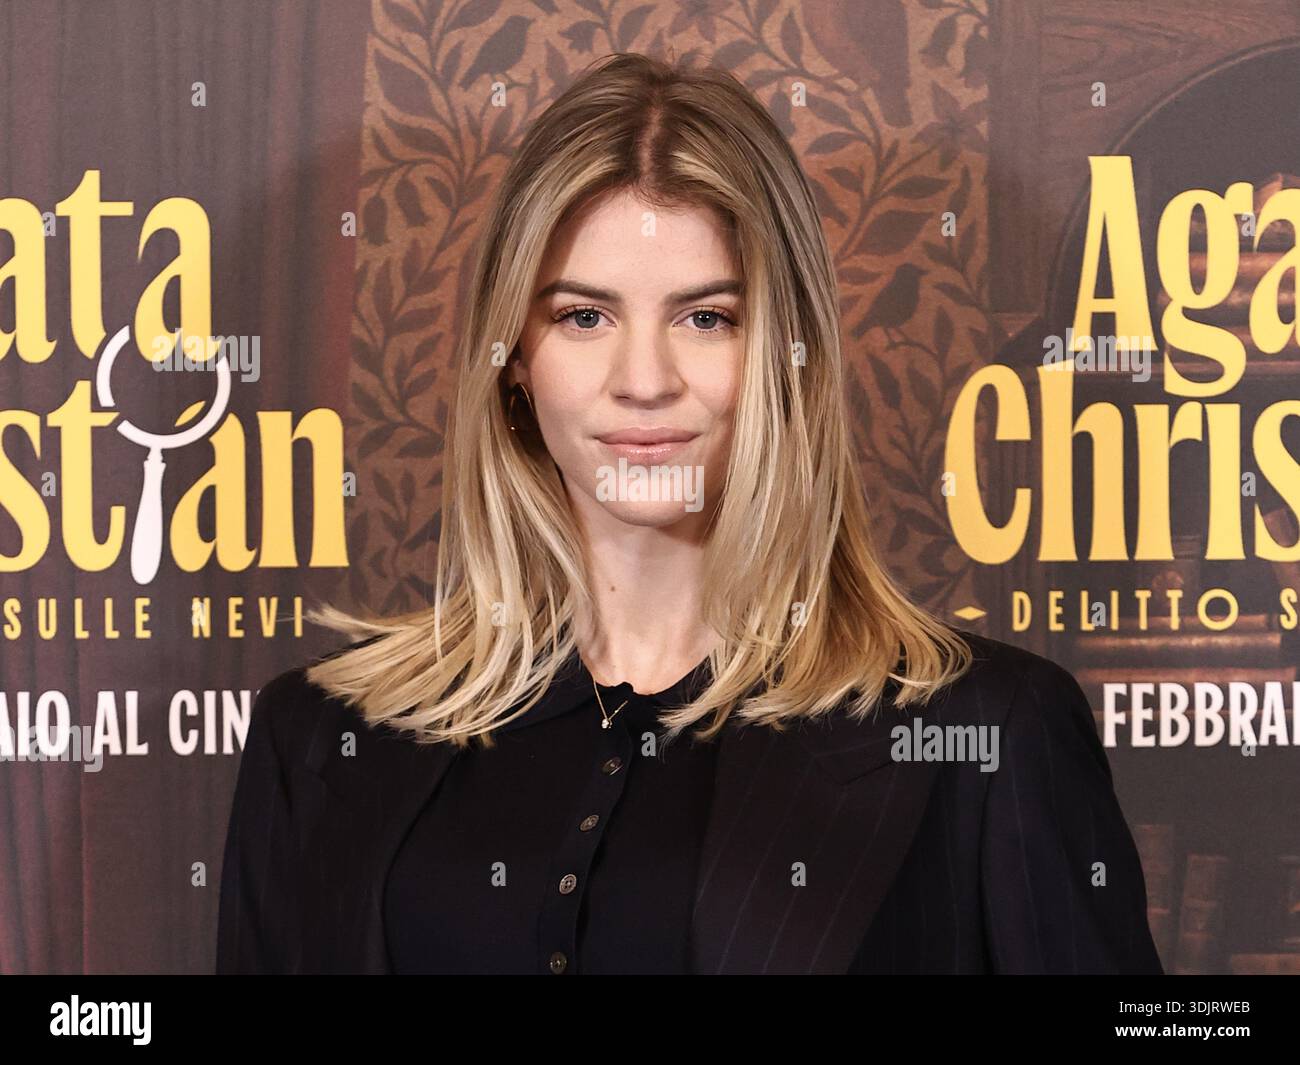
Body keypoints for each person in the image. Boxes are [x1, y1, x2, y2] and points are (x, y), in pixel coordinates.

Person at [216, 52, 1162, 975]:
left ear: (787, 351)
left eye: (706, 317)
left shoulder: (989, 733)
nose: (644, 382)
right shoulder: (321, 738)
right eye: (584, 316)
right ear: (513, 355)